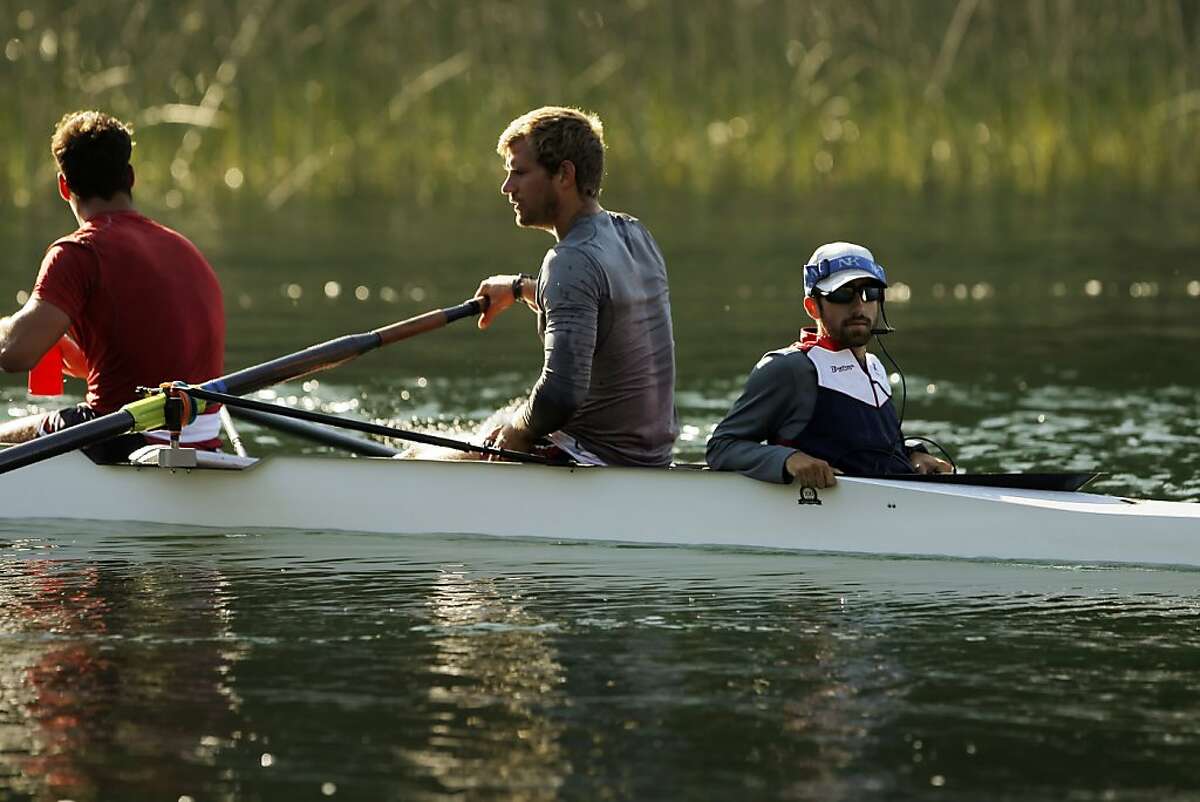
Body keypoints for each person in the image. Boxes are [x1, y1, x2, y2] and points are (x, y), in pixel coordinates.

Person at [0, 110, 225, 460]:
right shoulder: (184, 248)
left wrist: (6, 330)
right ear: (130, 177)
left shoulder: (76, 252)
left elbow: (15, 354)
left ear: (63, 185)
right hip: (202, 440)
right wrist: (89, 362)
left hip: (123, 437)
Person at [468, 106, 677, 467]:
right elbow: (606, 306)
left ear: (564, 174)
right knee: (498, 421)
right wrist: (520, 289)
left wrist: (514, 436)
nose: (507, 187)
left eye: (519, 172)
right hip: (651, 459)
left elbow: (560, 395)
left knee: (416, 458)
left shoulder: (569, 259)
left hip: (591, 459)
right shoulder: (635, 235)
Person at [706, 242, 950, 487]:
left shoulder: (875, 366)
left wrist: (913, 454)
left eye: (870, 293)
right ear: (812, 307)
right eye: (842, 294)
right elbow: (722, 447)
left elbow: (873, 449)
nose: (859, 307)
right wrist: (789, 459)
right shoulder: (789, 369)